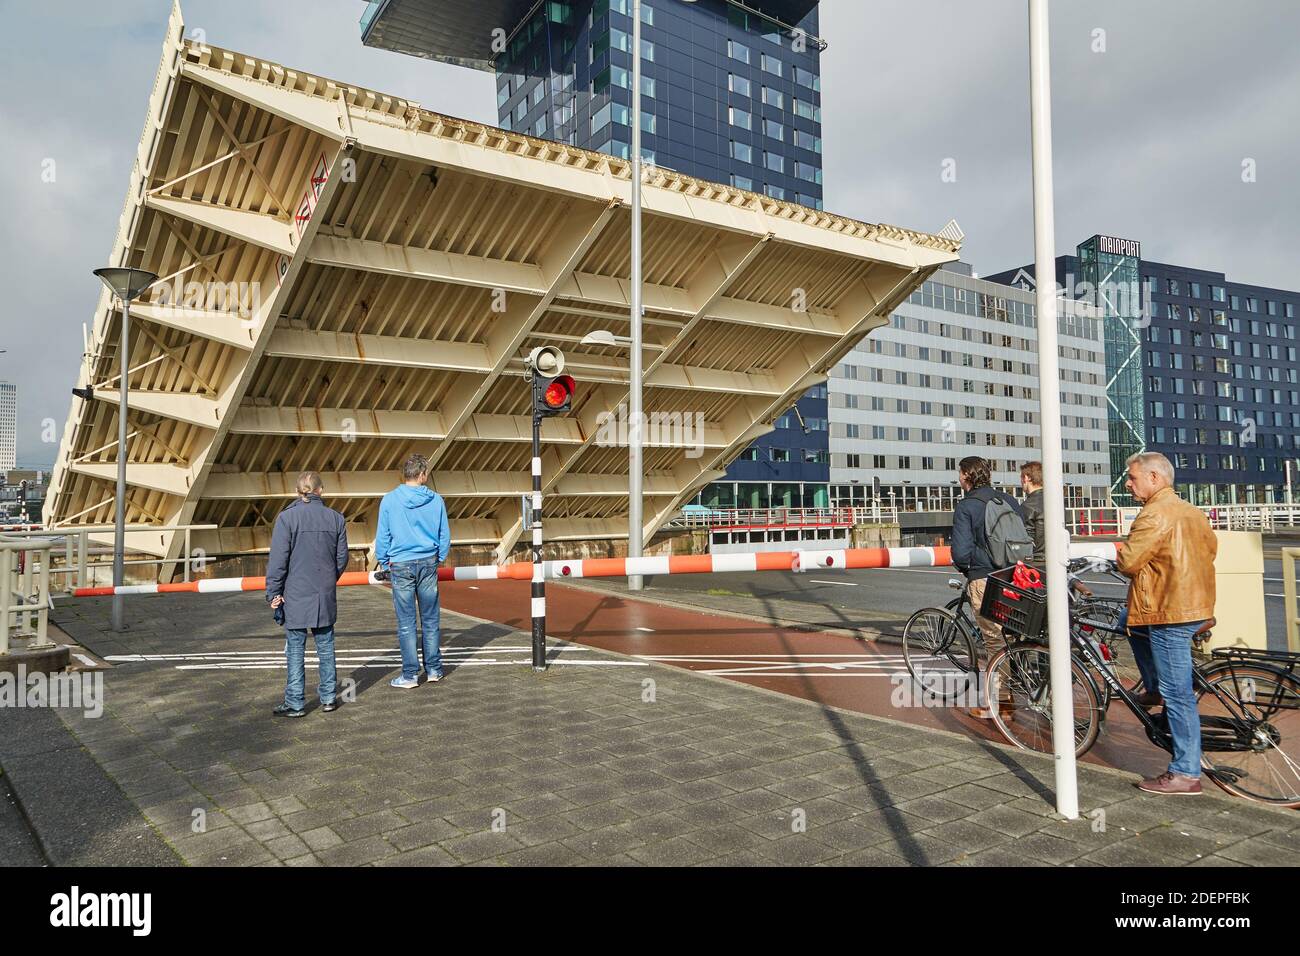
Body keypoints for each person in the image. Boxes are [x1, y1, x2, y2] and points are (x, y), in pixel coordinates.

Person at [1116, 451, 1217, 796]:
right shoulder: (1191, 511)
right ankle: (1154, 685)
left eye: (1132, 478)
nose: (1128, 484)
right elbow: (1210, 550)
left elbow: (1129, 561)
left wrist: (1114, 553)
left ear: (1154, 478)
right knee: (1125, 621)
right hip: (1197, 604)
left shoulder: (1153, 514)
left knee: (1179, 695)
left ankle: (1186, 772)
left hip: (1169, 611)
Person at [265, 471, 349, 718]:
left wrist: (273, 592)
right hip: (324, 594)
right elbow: (342, 558)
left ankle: (295, 703)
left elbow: (278, 561)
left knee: (295, 650)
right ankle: (328, 699)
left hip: (295, 594)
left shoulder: (286, 519)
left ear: (297, 491)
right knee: (326, 647)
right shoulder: (336, 519)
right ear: (320, 491)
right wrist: (328, 579)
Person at [951, 456, 1028, 719]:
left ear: (966, 476)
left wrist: (969, 570)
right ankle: (1024, 687)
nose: (959, 478)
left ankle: (1001, 704)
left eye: (960, 474)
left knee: (994, 639)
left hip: (985, 578)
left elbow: (960, 553)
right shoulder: (1008, 500)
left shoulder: (967, 506)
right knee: (1017, 635)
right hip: (1015, 576)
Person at [375, 454, 451, 689]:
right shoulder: (436, 500)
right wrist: (438, 557)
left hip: (401, 563)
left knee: (406, 622)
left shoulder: (389, 500)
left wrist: (384, 561)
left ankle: (409, 675)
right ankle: (434, 669)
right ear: (422, 475)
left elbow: (383, 535)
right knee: (430, 619)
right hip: (428, 562)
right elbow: (444, 535)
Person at [1019, 461, 1045, 567]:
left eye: (1021, 478)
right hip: (1057, 560)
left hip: (1036, 562)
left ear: (1027, 478)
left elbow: (1025, 540)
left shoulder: (1027, 506)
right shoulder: (1057, 503)